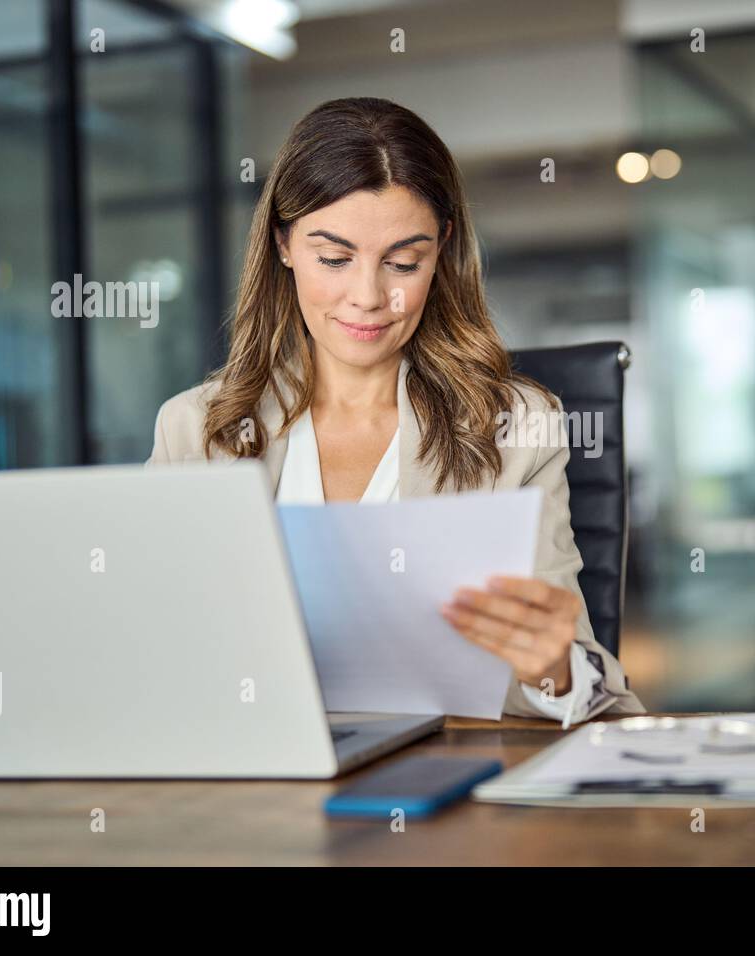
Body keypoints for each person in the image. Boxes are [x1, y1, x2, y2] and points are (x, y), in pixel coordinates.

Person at [146, 97, 643, 723]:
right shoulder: (196, 430)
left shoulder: (517, 428)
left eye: (404, 262)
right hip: (253, 777)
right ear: (282, 244)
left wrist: (552, 671)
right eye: (334, 258)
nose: (369, 297)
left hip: (443, 777)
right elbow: (157, 656)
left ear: (442, 251)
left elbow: (595, 695)